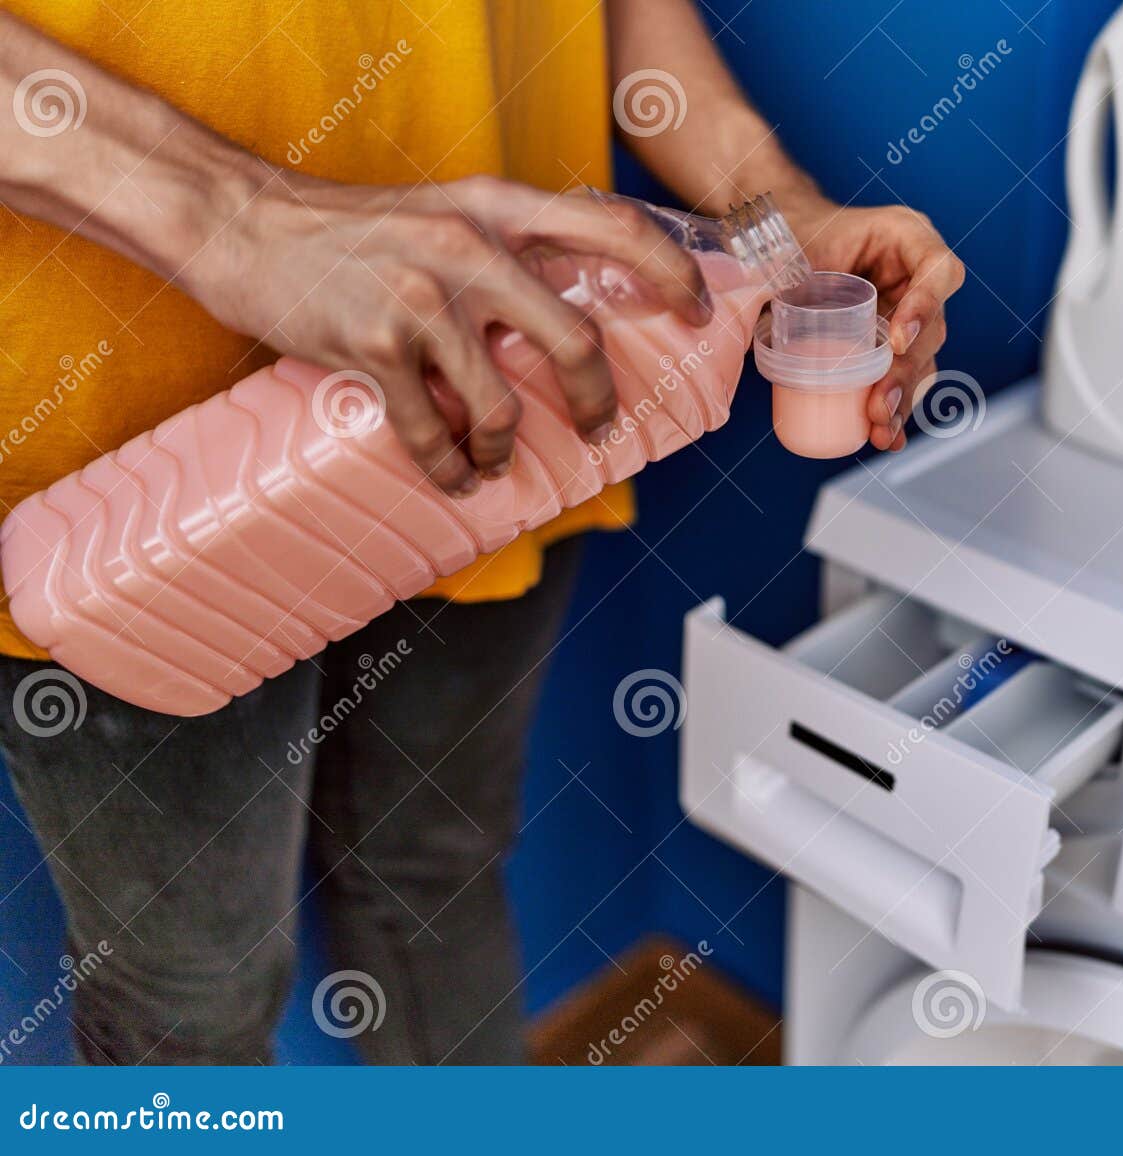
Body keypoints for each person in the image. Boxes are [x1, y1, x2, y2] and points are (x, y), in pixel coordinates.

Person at [0, 0, 962, 1064]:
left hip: (520, 373)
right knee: (193, 992)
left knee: (435, 864)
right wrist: (237, 216)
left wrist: (770, 212)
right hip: (126, 434)